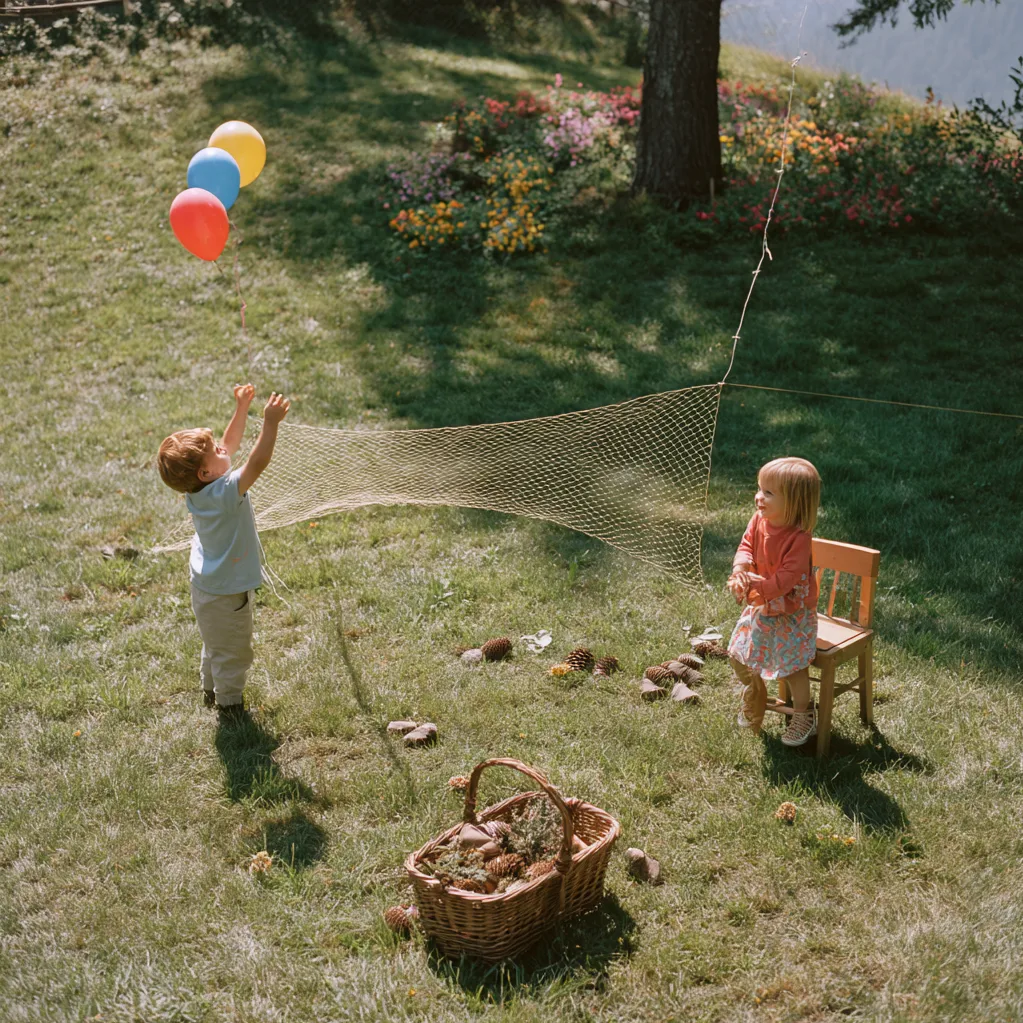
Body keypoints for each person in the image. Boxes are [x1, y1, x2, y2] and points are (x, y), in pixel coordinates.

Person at [156, 385, 291, 719]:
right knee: (233, 649)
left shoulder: (199, 490)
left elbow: (228, 447)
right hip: (229, 591)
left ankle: (209, 690)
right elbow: (257, 462)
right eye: (214, 450)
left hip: (205, 585)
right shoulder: (226, 492)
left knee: (214, 641)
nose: (223, 448)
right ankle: (230, 709)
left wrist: (241, 408)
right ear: (205, 472)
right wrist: (270, 423)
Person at [727, 457, 821, 747]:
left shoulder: (798, 536)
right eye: (759, 489)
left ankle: (804, 714)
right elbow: (745, 545)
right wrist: (741, 570)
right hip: (762, 605)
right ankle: (755, 691)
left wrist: (759, 587)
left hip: (791, 613)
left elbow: (788, 577)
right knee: (736, 653)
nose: (758, 497)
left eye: (768, 493)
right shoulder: (759, 520)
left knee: (792, 667)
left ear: (794, 502)